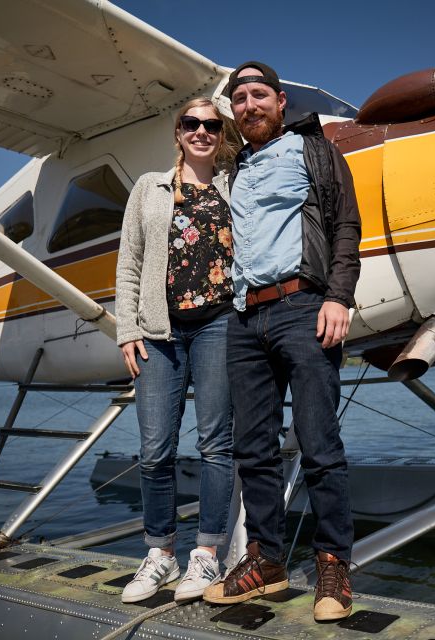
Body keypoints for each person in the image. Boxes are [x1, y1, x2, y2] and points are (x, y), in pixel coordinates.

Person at [202, 62, 361, 622]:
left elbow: (345, 224)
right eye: (239, 99)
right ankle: (266, 560)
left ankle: (334, 566)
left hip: (303, 306)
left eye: (259, 95)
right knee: (254, 450)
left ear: (279, 100)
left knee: (319, 444)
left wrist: (339, 296)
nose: (249, 105)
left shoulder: (316, 151)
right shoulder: (235, 168)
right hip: (245, 317)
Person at [115, 97, 238, 603]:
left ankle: (206, 555)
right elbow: (129, 261)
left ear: (222, 134)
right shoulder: (149, 187)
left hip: (219, 325)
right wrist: (127, 329)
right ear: (178, 131)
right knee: (154, 450)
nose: (201, 132)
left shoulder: (236, 186)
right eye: (192, 123)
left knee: (215, 444)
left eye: (212, 125)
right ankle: (161, 554)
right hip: (158, 332)